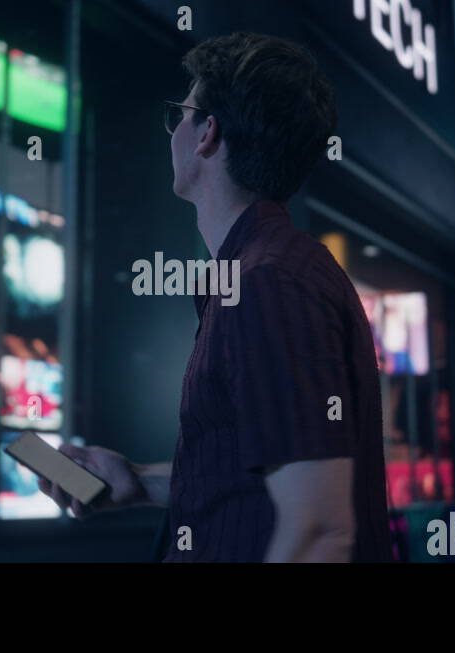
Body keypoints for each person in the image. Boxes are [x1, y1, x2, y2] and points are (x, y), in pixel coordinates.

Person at [39, 32, 393, 562]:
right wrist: (135, 479)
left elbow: (321, 530)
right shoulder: (266, 273)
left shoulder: (269, 283)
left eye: (181, 114)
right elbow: (249, 484)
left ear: (207, 133)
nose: (174, 131)